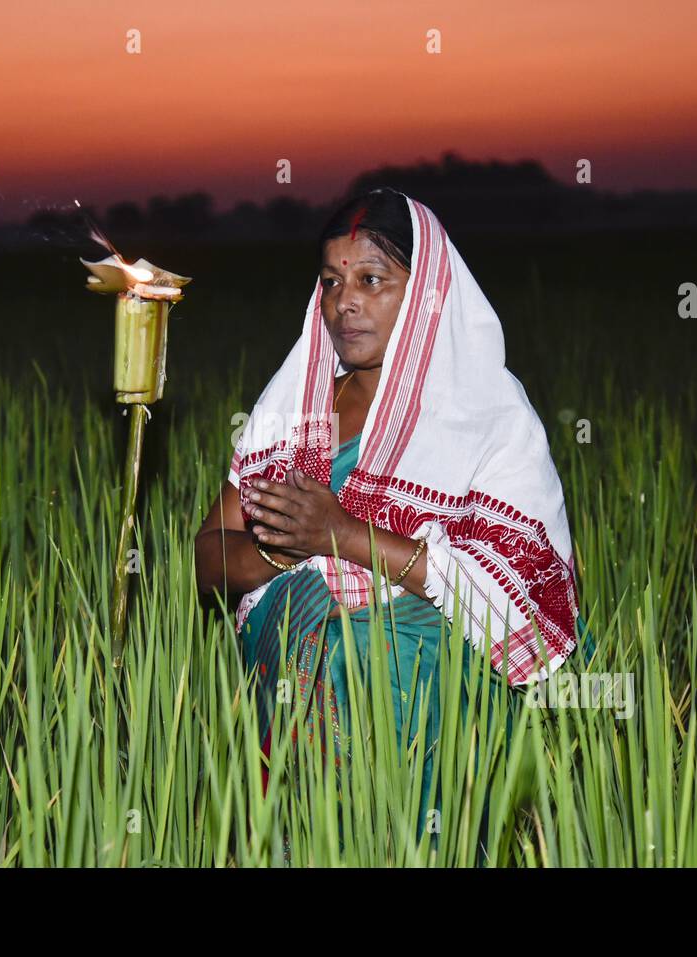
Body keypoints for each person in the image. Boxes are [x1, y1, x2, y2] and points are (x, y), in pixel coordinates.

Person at [194, 187, 594, 838]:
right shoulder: (299, 410)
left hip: (442, 651)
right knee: (337, 653)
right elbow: (207, 558)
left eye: (372, 279)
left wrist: (342, 535)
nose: (344, 300)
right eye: (331, 281)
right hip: (305, 639)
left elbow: (521, 593)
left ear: (428, 293)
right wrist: (283, 550)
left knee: (381, 652)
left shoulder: (489, 417)